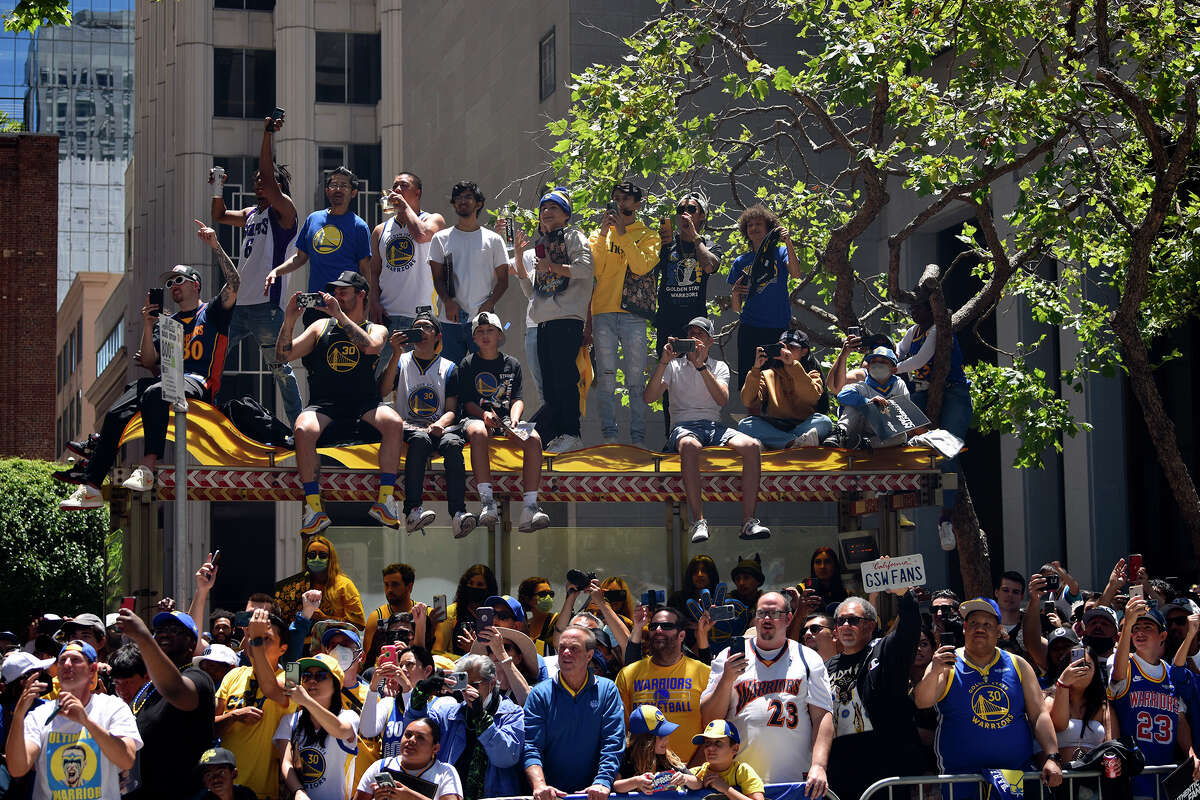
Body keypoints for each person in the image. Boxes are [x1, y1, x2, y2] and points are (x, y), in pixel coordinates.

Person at [61, 223, 239, 509]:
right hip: (168, 382)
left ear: (195, 284)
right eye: (169, 284)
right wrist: (148, 325)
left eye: (178, 280)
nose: (173, 287)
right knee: (119, 408)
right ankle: (92, 484)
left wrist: (215, 246)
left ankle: (148, 467)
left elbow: (234, 285)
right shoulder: (167, 324)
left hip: (199, 384)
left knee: (154, 392)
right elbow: (150, 361)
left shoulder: (212, 312)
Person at [275, 271, 403, 536]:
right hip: (325, 404)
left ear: (361, 295)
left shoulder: (376, 327)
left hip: (364, 403)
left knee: (394, 422)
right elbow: (283, 355)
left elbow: (370, 347)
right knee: (302, 429)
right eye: (335, 291)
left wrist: (339, 316)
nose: (338, 296)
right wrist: (289, 320)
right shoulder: (318, 327)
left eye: (344, 291)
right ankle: (313, 507)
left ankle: (386, 501)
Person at [913, 598, 1063, 796]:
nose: (980, 629)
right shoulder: (946, 663)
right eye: (974, 623)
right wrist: (934, 673)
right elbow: (922, 701)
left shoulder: (1019, 665)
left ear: (999, 630)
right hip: (961, 778)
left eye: (987, 624)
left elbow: (1038, 714)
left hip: (1012, 777)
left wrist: (1052, 756)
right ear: (965, 628)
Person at [209, 111, 303, 423]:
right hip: (239, 304)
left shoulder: (285, 211)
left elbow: (267, 171)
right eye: (255, 182)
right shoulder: (251, 213)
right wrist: (218, 187)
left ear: (275, 185)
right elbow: (220, 215)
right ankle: (205, 410)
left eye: (263, 181)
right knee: (214, 354)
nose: (257, 184)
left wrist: (266, 134)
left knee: (279, 367)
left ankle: (297, 424)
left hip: (266, 305)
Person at [644, 317, 768, 544]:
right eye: (690, 333)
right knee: (690, 446)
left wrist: (701, 366)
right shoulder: (673, 366)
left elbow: (721, 399)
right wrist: (662, 361)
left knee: (752, 446)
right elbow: (649, 397)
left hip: (714, 425)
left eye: (699, 334)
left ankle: (748, 521)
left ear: (710, 341)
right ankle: (699, 521)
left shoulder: (718, 366)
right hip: (683, 426)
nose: (693, 337)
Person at [699, 592, 834, 792]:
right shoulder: (727, 657)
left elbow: (822, 716)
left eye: (774, 613)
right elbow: (709, 720)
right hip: (739, 784)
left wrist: (819, 765)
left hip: (795, 782)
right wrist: (727, 680)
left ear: (789, 618)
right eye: (761, 613)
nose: (767, 619)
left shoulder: (807, 658)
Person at [513, 187, 595, 453]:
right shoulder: (542, 244)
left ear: (566, 214)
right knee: (549, 386)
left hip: (566, 319)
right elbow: (533, 293)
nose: (547, 212)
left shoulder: (574, 236)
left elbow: (585, 269)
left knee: (564, 379)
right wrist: (519, 262)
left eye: (554, 208)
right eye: (544, 208)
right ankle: (555, 434)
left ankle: (572, 433)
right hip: (543, 322)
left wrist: (553, 267)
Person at [4, 641, 142, 798]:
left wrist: (86, 721)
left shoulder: (113, 707)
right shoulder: (39, 715)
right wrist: (18, 715)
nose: (67, 664)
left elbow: (126, 760)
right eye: (62, 660)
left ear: (92, 669)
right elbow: (17, 769)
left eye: (75, 660)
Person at [377, 313, 473, 537]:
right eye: (416, 327)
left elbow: (451, 410)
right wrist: (394, 353)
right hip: (408, 427)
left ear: (438, 335)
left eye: (426, 327)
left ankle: (458, 513)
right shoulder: (400, 361)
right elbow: (382, 392)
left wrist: (439, 424)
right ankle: (412, 511)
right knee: (419, 441)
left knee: (452, 444)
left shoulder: (449, 367)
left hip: (438, 426)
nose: (420, 331)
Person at [457, 311, 550, 534]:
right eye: (480, 332)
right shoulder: (467, 363)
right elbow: (467, 402)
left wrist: (515, 419)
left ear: (499, 335)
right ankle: (487, 503)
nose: (485, 335)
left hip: (507, 419)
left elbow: (517, 398)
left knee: (534, 437)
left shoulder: (513, 364)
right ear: (474, 338)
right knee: (479, 432)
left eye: (490, 330)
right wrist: (484, 416)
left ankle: (530, 507)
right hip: (475, 418)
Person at [823, 590, 919, 800]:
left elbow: (909, 631)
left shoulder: (884, 652)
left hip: (882, 772)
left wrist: (905, 596)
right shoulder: (826, 667)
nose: (846, 626)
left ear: (870, 625)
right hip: (840, 771)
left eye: (853, 620)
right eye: (841, 621)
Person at [899, 289, 973, 547]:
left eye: (917, 308)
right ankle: (900, 494)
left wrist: (890, 369)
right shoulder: (913, 331)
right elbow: (899, 350)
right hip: (923, 394)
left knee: (948, 449)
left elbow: (920, 359)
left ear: (932, 309)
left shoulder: (937, 331)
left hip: (954, 393)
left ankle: (946, 519)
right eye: (911, 310)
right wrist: (880, 357)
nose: (913, 313)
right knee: (902, 435)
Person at [587, 181, 660, 445]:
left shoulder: (649, 235)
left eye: (626, 199)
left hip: (634, 314)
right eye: (616, 198)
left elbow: (641, 267)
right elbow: (594, 269)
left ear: (637, 204)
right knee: (605, 377)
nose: (620, 203)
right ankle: (610, 436)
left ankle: (638, 437)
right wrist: (607, 233)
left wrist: (622, 233)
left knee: (635, 378)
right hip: (603, 311)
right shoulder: (599, 234)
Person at [118, 608, 216, 799]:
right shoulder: (148, 688)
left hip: (181, 793)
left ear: (191, 644)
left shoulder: (198, 678)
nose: (163, 633)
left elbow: (175, 690)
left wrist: (143, 637)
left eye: (174, 630)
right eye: (159, 630)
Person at [402, 654, 525, 800]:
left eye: (475, 684)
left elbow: (505, 757)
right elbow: (416, 730)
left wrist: (480, 717)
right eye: (464, 684)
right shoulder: (449, 713)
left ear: (492, 683)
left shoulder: (512, 713)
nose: (467, 690)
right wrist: (422, 691)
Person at [523, 626, 625, 800]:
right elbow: (531, 746)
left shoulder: (608, 690)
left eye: (574, 648)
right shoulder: (540, 694)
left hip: (594, 795)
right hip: (550, 795)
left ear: (589, 655)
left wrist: (602, 781)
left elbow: (612, 743)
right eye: (562, 647)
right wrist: (540, 785)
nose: (566, 653)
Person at [1108, 597, 1195, 799]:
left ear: (1162, 635)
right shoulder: (1123, 661)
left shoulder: (1170, 672)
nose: (1139, 632)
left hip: (1165, 780)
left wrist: (1191, 754)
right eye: (1135, 628)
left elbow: (1179, 719)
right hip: (1133, 778)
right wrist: (1128, 621)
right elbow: (1118, 676)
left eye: (1147, 627)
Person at [217, 608, 298, 800]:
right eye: (253, 634)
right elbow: (208, 726)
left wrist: (256, 642)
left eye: (266, 638)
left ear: (283, 649)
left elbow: (271, 688)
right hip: (223, 792)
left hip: (263, 793)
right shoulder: (233, 675)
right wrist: (233, 716)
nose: (257, 640)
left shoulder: (293, 676)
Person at [265, 167, 371, 308]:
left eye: (344, 186)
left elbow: (365, 269)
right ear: (327, 191)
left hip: (345, 304)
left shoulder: (360, 226)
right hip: (316, 302)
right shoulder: (313, 219)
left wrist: (366, 305)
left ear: (354, 193)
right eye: (334, 185)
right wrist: (276, 271)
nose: (338, 189)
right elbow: (300, 257)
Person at [429, 180, 509, 365]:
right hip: (450, 321)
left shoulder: (494, 240)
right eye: (458, 198)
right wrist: (448, 302)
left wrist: (488, 304)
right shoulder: (440, 238)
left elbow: (503, 281)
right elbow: (437, 278)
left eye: (468, 197)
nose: (462, 201)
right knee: (450, 377)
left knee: (484, 373)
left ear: (478, 203)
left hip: (483, 323)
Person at [616, 607, 710, 762]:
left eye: (666, 626)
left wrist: (692, 772)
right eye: (653, 627)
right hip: (643, 777)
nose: (658, 630)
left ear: (681, 635)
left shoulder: (705, 673)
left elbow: (712, 730)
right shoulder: (628, 674)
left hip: (693, 775)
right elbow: (620, 731)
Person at [369, 171, 447, 357]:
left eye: (404, 186)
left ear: (418, 192)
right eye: (395, 186)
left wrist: (403, 206)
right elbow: (374, 271)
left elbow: (421, 235)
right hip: (388, 316)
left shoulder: (433, 219)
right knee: (385, 378)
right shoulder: (380, 230)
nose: (397, 189)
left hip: (422, 317)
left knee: (419, 378)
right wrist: (373, 302)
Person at [728, 205, 803, 394]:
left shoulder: (780, 252)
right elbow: (736, 308)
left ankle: (775, 420)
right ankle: (753, 419)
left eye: (758, 224)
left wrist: (788, 242)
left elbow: (795, 273)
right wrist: (735, 293)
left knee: (778, 383)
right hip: (750, 328)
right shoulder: (741, 261)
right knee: (750, 383)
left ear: (769, 227)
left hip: (778, 328)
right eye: (750, 225)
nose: (754, 228)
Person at [274, 653, 360, 800]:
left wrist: (306, 701)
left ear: (335, 685)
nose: (312, 681)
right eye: (306, 676)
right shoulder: (290, 720)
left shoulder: (349, 716)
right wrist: (298, 791)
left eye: (320, 676)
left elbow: (340, 730)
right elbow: (285, 762)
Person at [737, 330, 833, 449]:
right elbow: (748, 401)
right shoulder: (767, 374)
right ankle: (793, 443)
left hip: (803, 426)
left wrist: (793, 365)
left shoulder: (812, 374)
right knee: (745, 424)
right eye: (782, 346)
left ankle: (779, 442)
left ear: (804, 351)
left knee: (824, 422)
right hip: (776, 426)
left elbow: (811, 397)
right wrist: (756, 369)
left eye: (792, 347)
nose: (786, 351)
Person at [355, 716, 463, 800]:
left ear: (435, 748)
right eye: (408, 734)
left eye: (420, 737)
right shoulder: (380, 766)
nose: (411, 740)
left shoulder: (445, 772)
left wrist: (410, 797)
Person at [826, 346, 911, 450]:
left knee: (901, 437)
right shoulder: (862, 386)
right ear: (868, 367)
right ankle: (839, 435)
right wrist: (867, 402)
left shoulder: (899, 385)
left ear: (894, 369)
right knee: (853, 405)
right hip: (860, 425)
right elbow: (842, 395)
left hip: (884, 428)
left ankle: (861, 444)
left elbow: (905, 408)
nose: (878, 364)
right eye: (874, 361)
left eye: (883, 361)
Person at [275, 535, 367, 627]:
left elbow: (359, 623)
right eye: (312, 555)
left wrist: (325, 618)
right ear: (306, 558)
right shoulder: (298, 585)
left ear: (331, 559)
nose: (316, 559)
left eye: (322, 555)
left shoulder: (344, 585)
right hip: (303, 640)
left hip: (334, 639)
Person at [675, 720, 765, 800]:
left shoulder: (742, 771)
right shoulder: (693, 773)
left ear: (735, 749)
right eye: (707, 743)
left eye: (718, 742)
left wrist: (725, 789)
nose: (710, 747)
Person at [1046, 647, 1106, 762]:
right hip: (1058, 777)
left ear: (1095, 672)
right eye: (1075, 666)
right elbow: (1059, 725)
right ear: (1065, 669)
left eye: (1087, 666)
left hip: (1093, 778)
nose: (1081, 671)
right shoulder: (1049, 701)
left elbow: (1112, 745)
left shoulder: (1102, 707)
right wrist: (1063, 684)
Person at [612, 705, 688, 793]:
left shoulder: (667, 756)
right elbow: (615, 786)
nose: (666, 740)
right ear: (644, 741)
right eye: (661, 736)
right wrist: (636, 782)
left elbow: (698, 783)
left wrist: (685, 778)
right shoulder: (625, 755)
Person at [433, 566, 499, 656]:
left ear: (488, 589)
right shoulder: (452, 612)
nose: (474, 588)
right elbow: (438, 651)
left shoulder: (495, 614)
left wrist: (475, 651)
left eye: (479, 585)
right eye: (471, 583)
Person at [362, 564, 417, 662]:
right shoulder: (376, 617)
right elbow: (368, 660)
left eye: (395, 584)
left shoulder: (423, 614)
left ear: (409, 587)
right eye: (386, 584)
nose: (389, 590)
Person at [516, 578, 557, 654]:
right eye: (543, 594)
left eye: (551, 594)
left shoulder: (557, 621)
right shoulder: (525, 624)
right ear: (527, 598)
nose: (548, 598)